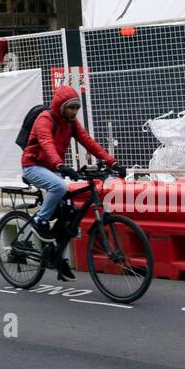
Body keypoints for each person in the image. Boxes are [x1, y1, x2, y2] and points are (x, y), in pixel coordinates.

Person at [21, 85, 119, 281]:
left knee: (68, 213)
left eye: (76, 108)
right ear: (60, 106)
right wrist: (60, 164)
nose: (74, 112)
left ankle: (59, 257)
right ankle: (40, 221)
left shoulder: (71, 122)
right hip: (33, 165)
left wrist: (112, 162)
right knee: (59, 187)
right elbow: (46, 143)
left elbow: (87, 141)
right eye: (70, 108)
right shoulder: (45, 119)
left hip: (53, 168)